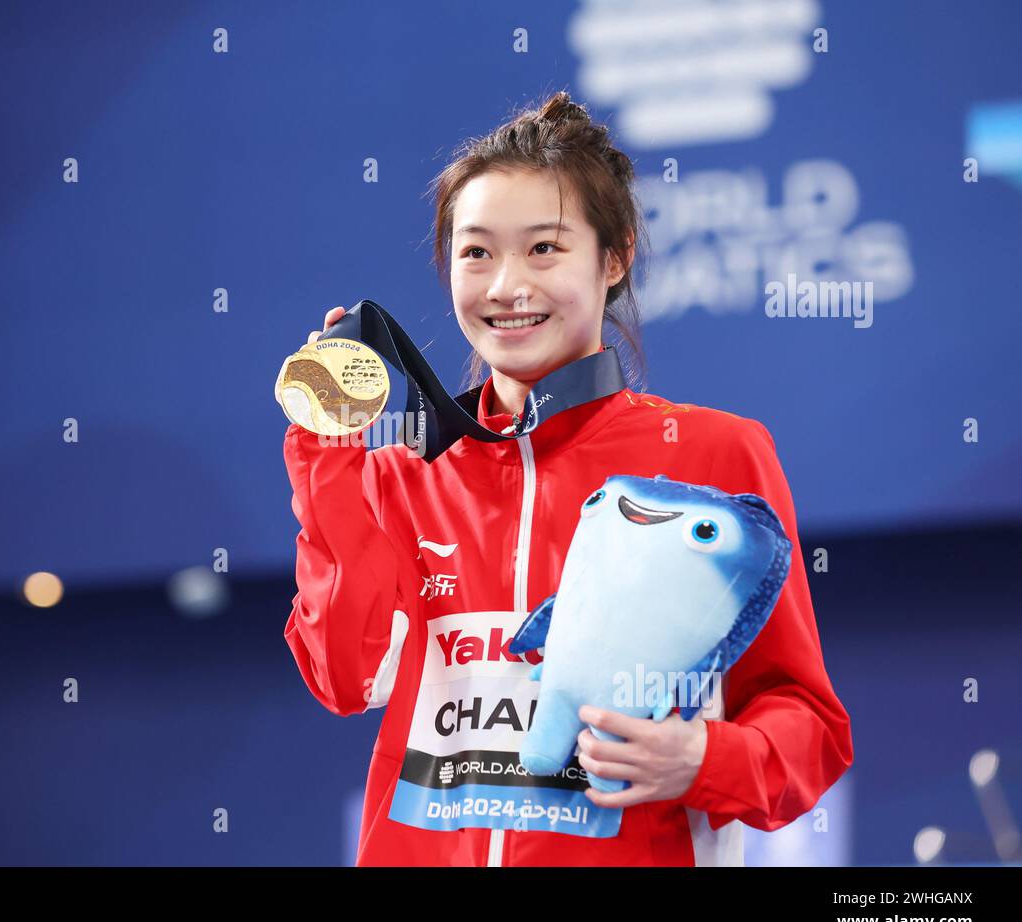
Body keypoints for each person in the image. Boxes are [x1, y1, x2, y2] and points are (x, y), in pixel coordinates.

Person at [279, 91, 853, 866]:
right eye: (476, 252)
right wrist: (328, 455)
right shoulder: (397, 475)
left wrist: (704, 760)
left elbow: (810, 729)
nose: (506, 286)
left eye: (543, 249)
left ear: (613, 257)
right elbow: (346, 680)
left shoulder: (716, 454)